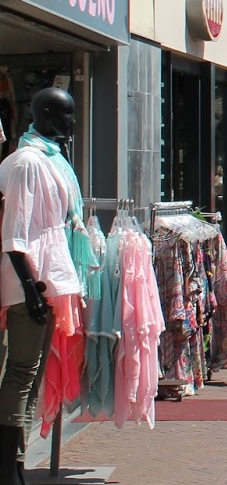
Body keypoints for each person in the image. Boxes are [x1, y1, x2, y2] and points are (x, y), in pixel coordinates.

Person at [0, 88, 87, 480]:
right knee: (21, 372)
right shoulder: (27, 162)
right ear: (46, 114)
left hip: (48, 280)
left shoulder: (52, 160)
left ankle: (16, 459)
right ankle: (6, 466)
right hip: (30, 283)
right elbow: (15, 232)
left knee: (32, 373)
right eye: (65, 115)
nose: (72, 123)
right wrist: (31, 286)